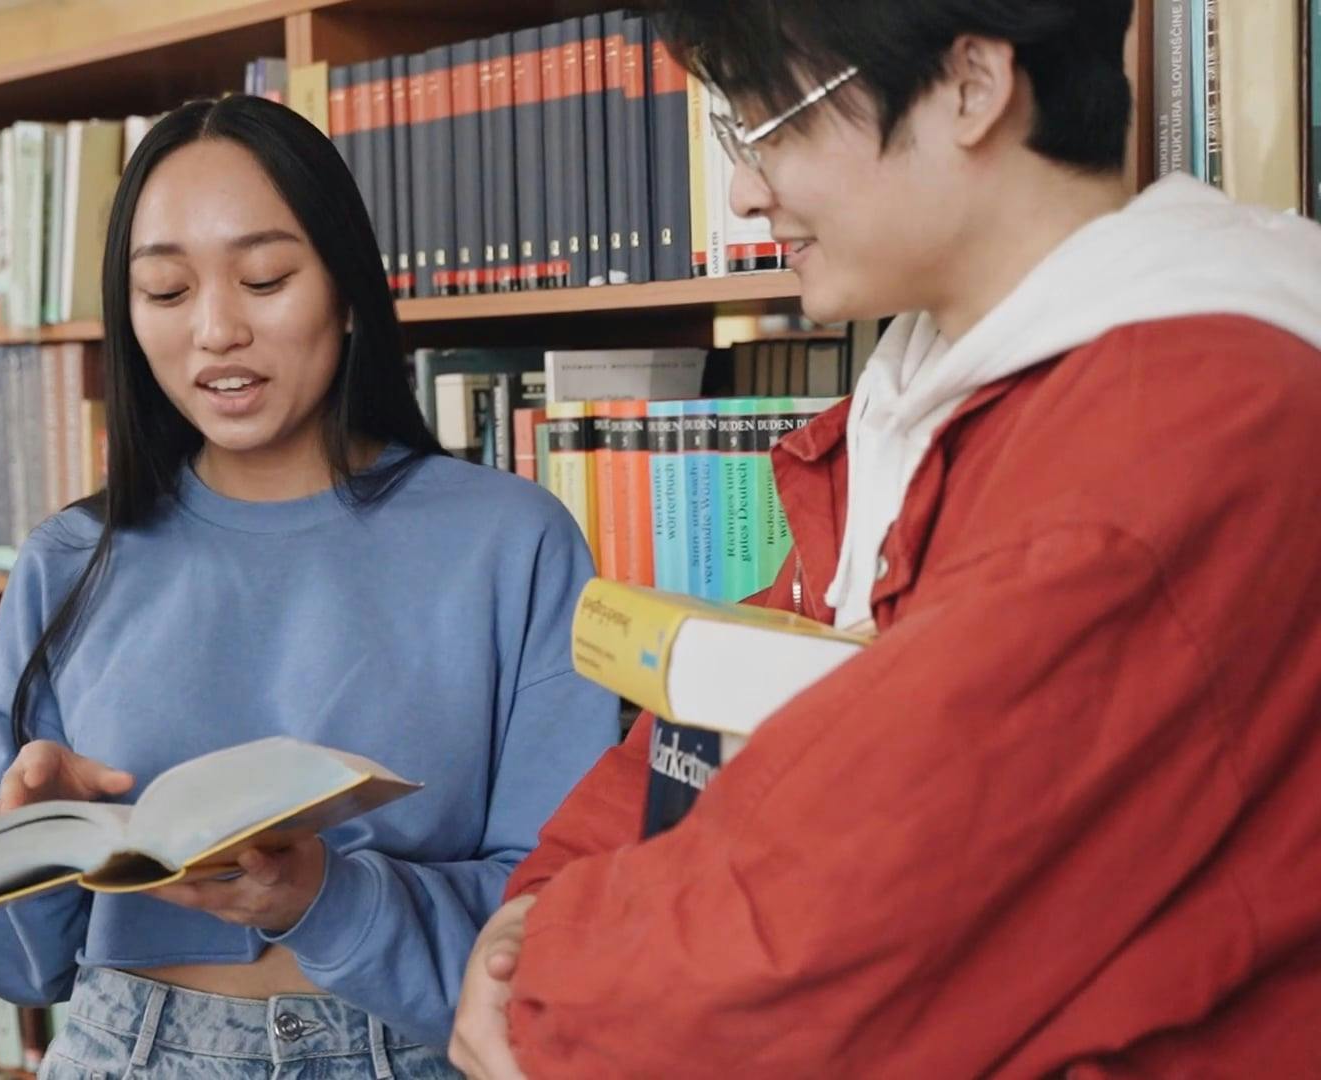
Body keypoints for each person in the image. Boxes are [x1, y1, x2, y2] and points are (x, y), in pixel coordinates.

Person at [449, 1, 1321, 1076]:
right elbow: (716, 706)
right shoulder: (927, 399)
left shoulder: (1171, 434)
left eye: (777, 121)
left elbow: (820, 928)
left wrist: (547, 974)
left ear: (971, 86)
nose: (744, 189)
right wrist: (531, 912)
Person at [0, 94, 618, 1078]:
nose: (216, 330)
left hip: (411, 1054)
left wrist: (323, 897)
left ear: (347, 292)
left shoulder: (514, 542)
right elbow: (16, 971)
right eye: (167, 293)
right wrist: (27, 849)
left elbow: (558, 916)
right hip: (122, 1048)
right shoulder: (69, 559)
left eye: (264, 278)